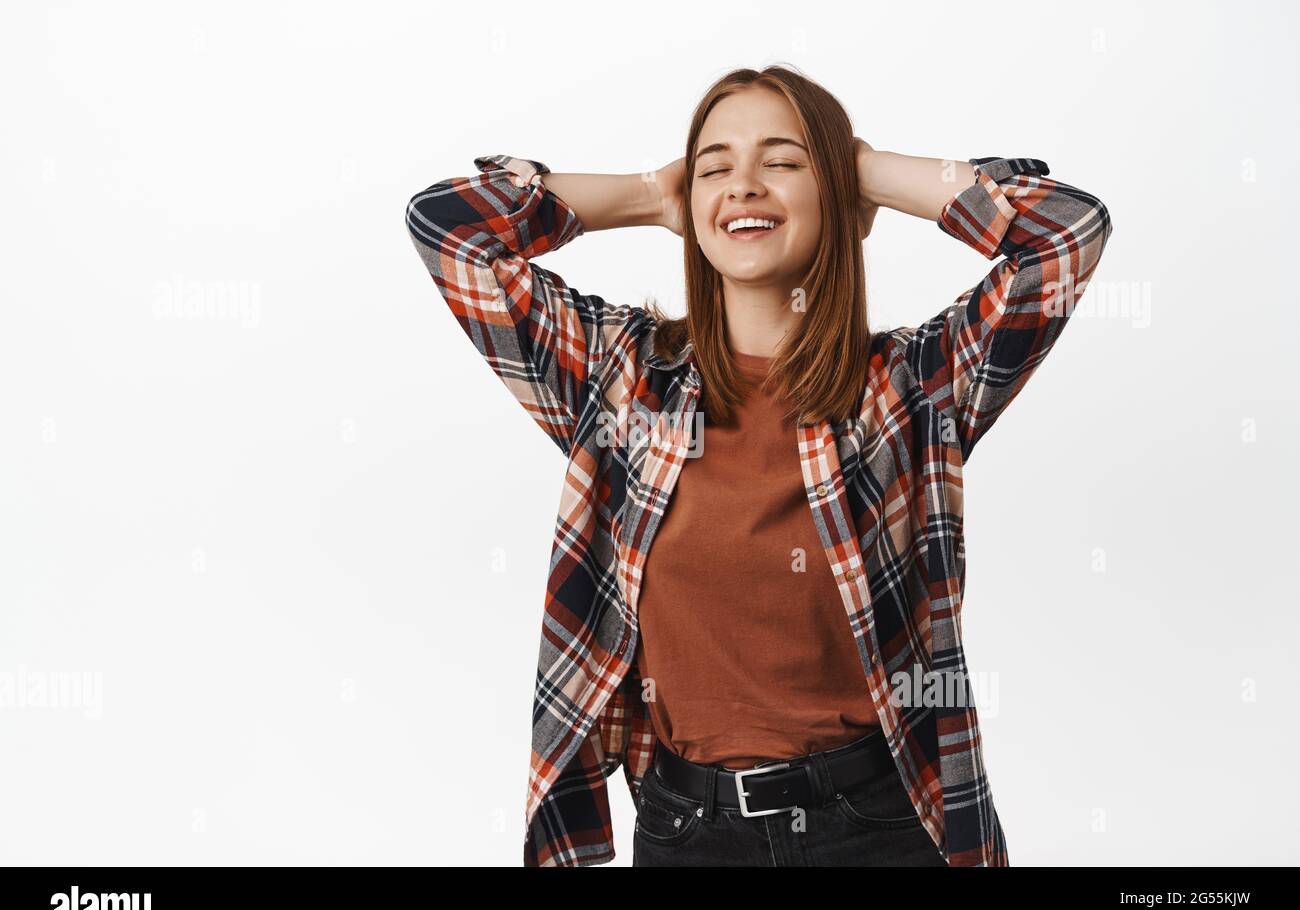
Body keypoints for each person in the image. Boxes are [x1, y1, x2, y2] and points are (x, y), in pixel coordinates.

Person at [404, 64, 1113, 867]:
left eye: (782, 161)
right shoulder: (620, 378)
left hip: (878, 825)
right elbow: (447, 228)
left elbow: (1064, 233)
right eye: (714, 167)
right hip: (686, 830)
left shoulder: (914, 388)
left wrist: (866, 171)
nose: (743, 185)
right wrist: (649, 194)